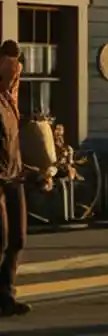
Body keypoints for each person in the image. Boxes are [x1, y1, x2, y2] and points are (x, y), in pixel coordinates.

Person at [0, 41, 29, 317]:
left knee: (18, 238)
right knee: (1, 236)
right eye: (11, 66)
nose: (16, 72)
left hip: (14, 174)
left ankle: (6, 295)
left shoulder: (11, 100)